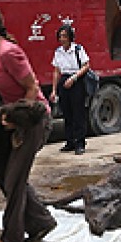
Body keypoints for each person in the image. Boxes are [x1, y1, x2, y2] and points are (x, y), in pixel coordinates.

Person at [0, 2, 57, 242]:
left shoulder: (10, 52)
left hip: (35, 121)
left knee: (14, 180)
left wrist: (18, 119)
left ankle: (11, 240)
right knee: (4, 175)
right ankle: (41, 222)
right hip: (17, 120)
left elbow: (32, 87)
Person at [49, 24, 90, 155]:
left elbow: (86, 66)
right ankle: (70, 141)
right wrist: (54, 90)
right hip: (64, 81)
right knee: (67, 113)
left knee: (78, 113)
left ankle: (80, 143)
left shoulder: (78, 49)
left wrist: (74, 78)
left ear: (70, 37)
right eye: (60, 36)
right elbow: (56, 71)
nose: (62, 39)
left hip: (76, 81)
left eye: (65, 36)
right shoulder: (58, 52)